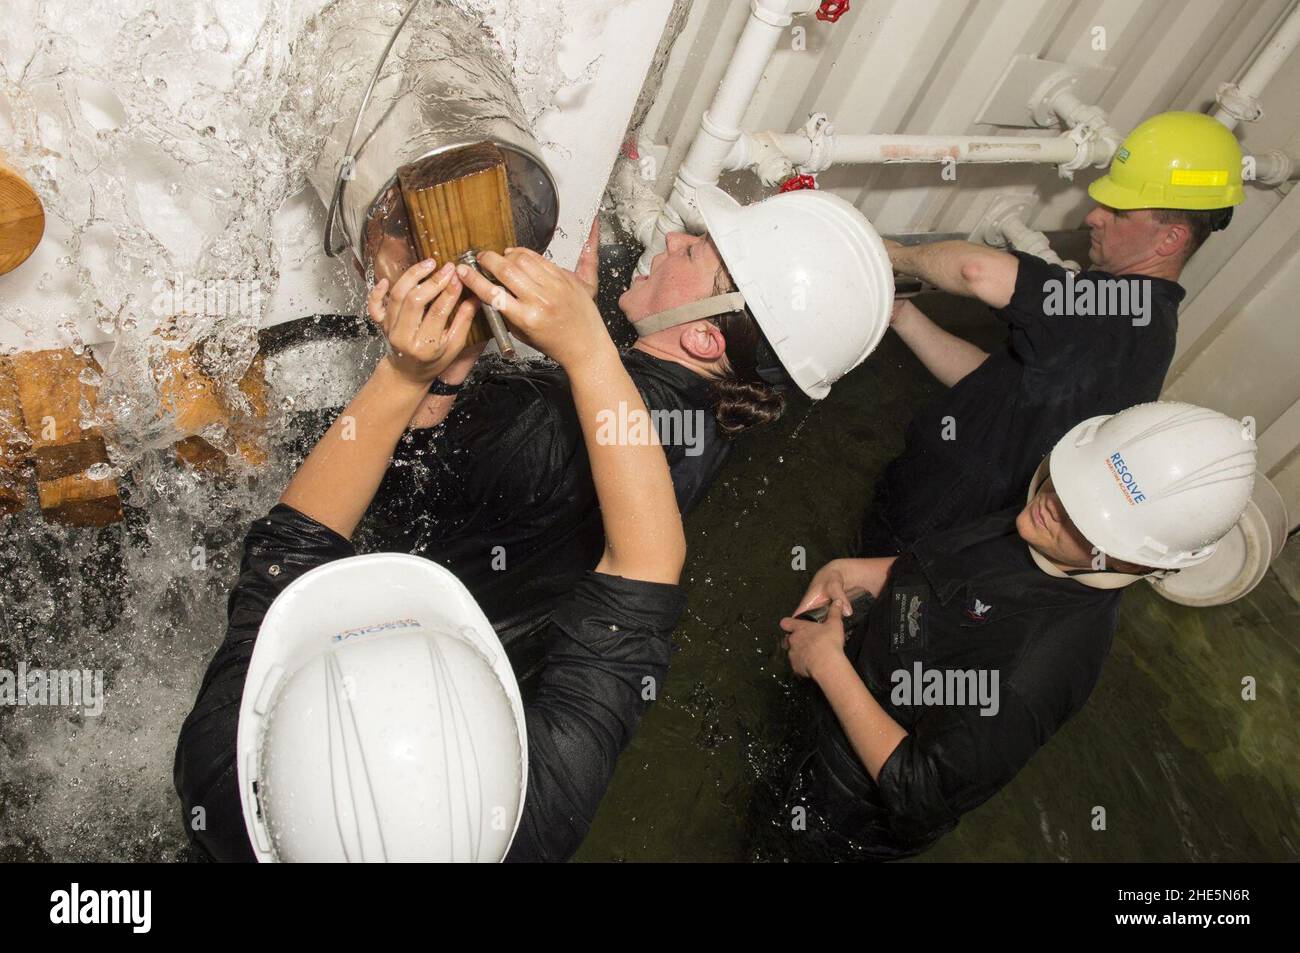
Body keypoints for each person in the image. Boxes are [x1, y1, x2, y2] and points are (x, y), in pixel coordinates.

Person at [175, 245, 688, 862]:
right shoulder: (531, 816)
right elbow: (646, 564)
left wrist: (404, 376)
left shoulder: (220, 776)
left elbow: (291, 547)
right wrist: (587, 349)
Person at [366, 185, 892, 654]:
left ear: (702, 338)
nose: (669, 242)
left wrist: (446, 360)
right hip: (503, 648)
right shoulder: (718, 415)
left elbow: (387, 502)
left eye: (692, 252)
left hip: (398, 631)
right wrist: (577, 335)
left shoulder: (543, 416)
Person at [782, 401, 1257, 859]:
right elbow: (941, 573)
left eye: (1086, 518)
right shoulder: (1046, 530)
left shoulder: (1042, 664)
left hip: (848, 802)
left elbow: (919, 796)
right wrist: (854, 571)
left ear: (1134, 560)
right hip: (843, 691)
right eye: (1072, 485)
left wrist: (828, 667)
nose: (1056, 505)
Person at [859, 111, 1245, 557]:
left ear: (1170, 239)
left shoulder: (1118, 309)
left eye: (1118, 210)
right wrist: (905, 318)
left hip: (940, 517)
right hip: (951, 506)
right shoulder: (1145, 321)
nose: (1093, 216)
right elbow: (993, 382)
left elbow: (976, 270)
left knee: (859, 601)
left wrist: (892, 254)